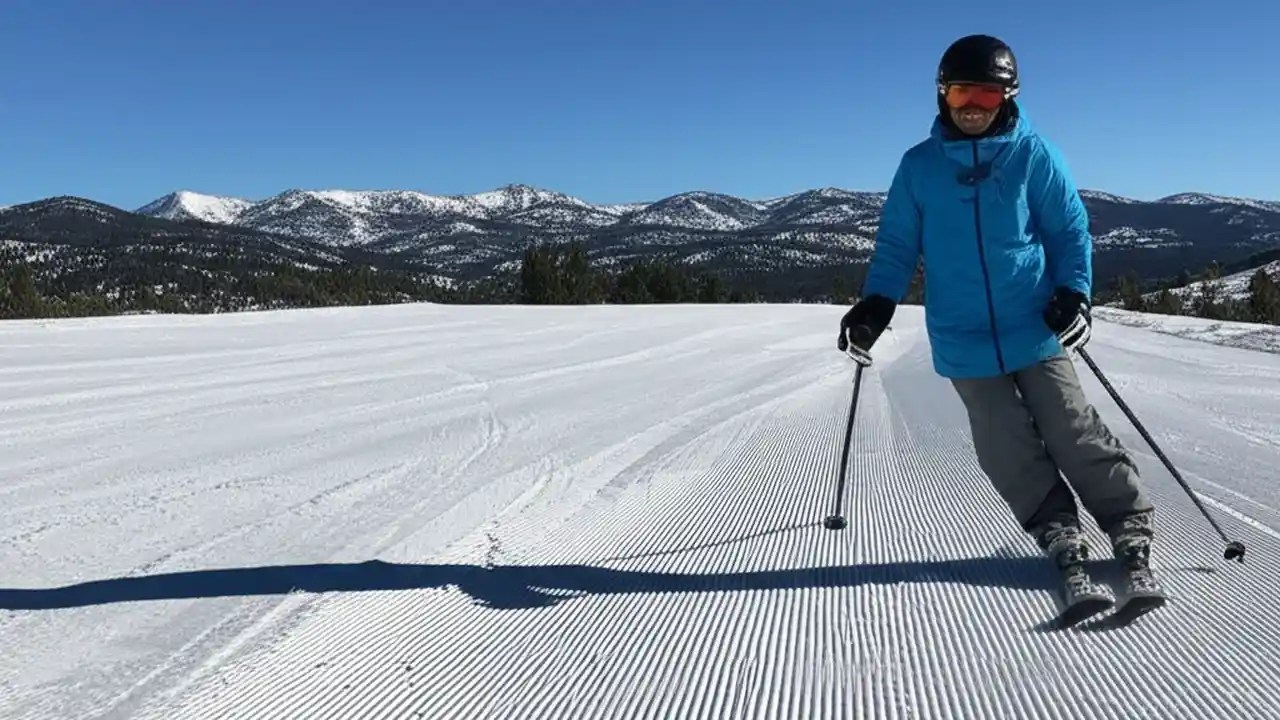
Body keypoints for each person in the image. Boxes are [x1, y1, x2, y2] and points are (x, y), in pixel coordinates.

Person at [836, 34, 1162, 609]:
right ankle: (1055, 526)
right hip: (962, 333)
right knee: (1002, 440)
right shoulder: (919, 167)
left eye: (987, 95)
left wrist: (1074, 293)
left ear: (1007, 97)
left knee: (1068, 423)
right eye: (962, 92)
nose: (972, 106)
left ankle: (1126, 521)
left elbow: (1068, 232)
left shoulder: (1034, 155)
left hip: (1034, 323)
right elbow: (895, 246)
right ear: (943, 95)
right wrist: (877, 304)